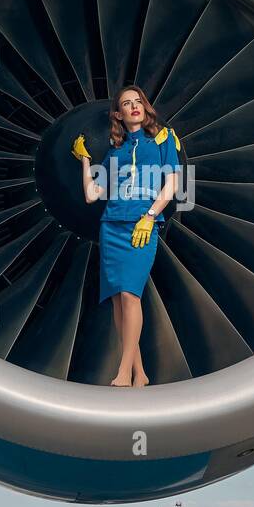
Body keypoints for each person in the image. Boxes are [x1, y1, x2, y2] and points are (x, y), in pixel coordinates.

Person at [72, 86, 180, 386]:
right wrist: (84, 161)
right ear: (118, 114)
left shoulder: (163, 140)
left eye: (138, 102)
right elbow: (93, 195)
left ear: (145, 108)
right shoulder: (115, 153)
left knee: (131, 294)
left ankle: (122, 372)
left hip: (140, 226)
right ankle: (140, 373)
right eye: (126, 104)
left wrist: (149, 217)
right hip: (112, 227)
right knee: (120, 299)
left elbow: (172, 184)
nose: (133, 107)